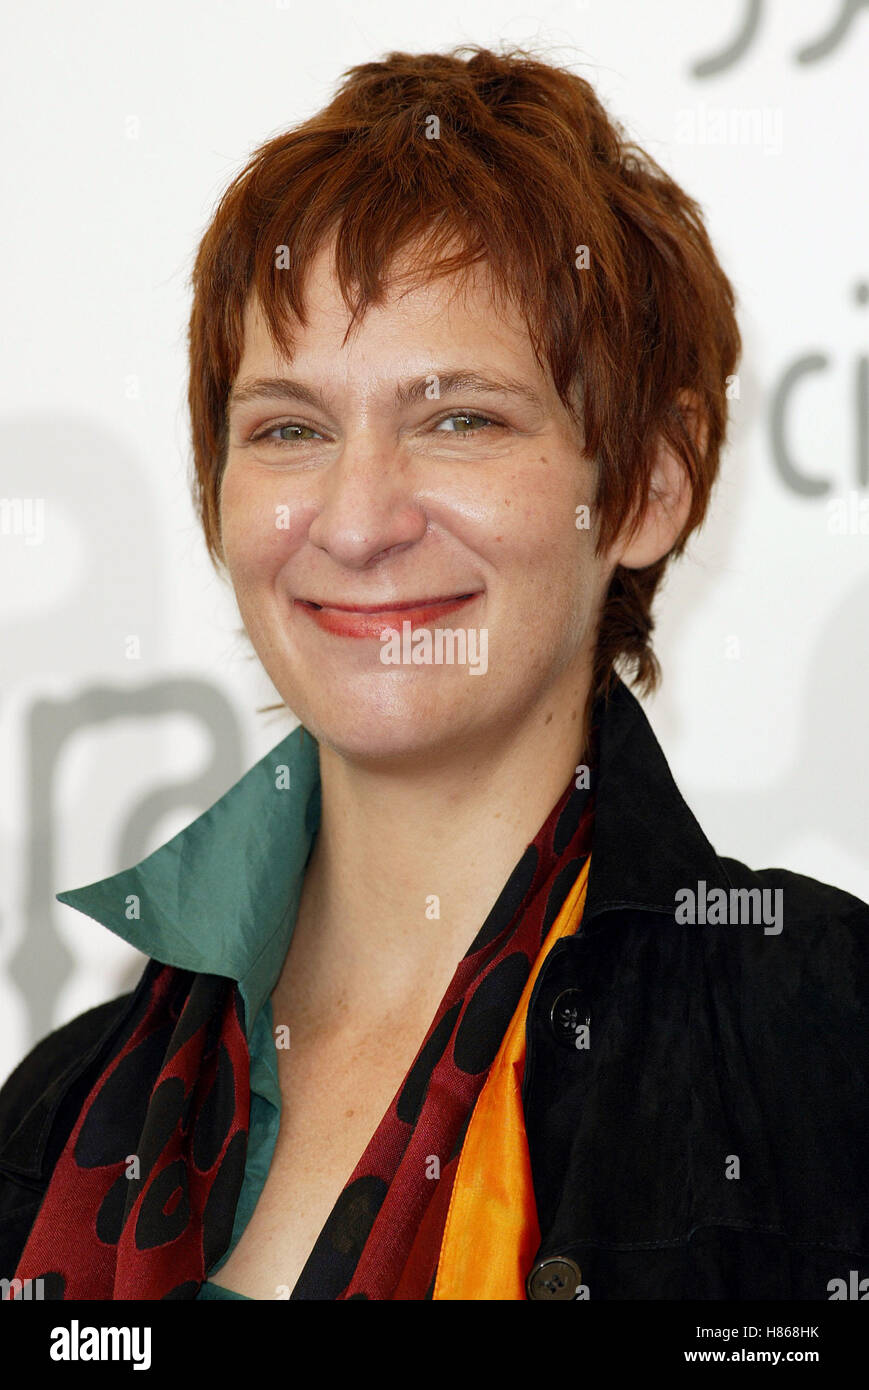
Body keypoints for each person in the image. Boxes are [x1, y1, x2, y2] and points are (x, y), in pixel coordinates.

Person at [1, 43, 866, 1303]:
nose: (355, 522)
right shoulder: (57, 1108)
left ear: (642, 487)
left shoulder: (817, 1039)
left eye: (459, 417)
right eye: (288, 429)